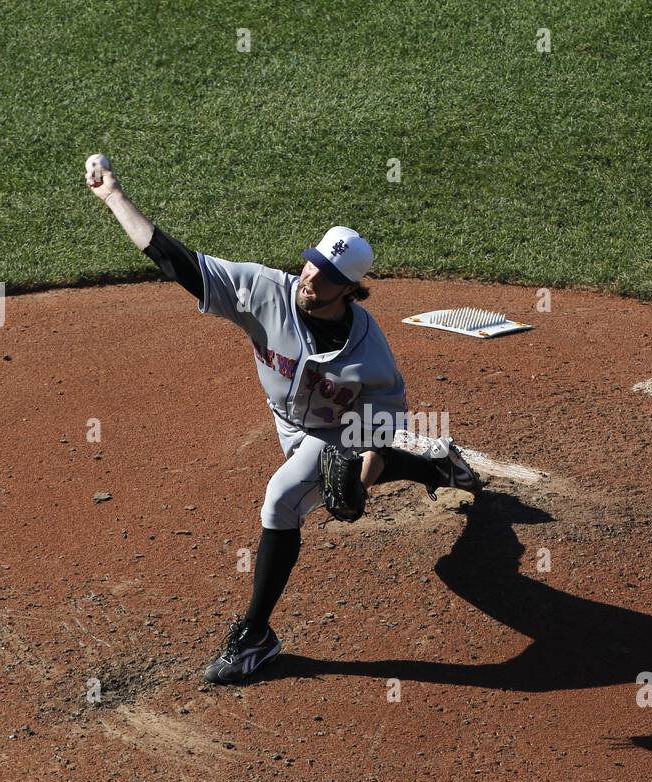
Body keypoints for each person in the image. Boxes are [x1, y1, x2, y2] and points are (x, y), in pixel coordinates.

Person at [86, 161, 482, 683]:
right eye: (313, 263)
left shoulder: (371, 357)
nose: (312, 276)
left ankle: (256, 637)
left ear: (350, 290)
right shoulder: (265, 290)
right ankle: (435, 467)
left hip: (338, 431)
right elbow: (176, 260)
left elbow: (379, 430)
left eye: (329, 276)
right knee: (321, 480)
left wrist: (359, 482)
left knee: (283, 499)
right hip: (289, 423)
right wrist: (114, 195)